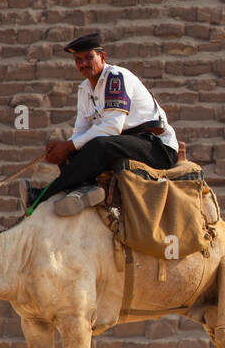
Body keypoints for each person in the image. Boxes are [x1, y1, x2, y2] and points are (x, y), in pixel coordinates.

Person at [20, 31, 179, 216]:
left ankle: (43, 195)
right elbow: (80, 131)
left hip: (156, 148)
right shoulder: (84, 90)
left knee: (99, 145)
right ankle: (86, 190)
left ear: (102, 57)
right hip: (123, 145)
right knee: (72, 154)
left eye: (88, 58)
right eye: (78, 60)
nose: (83, 64)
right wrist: (63, 149)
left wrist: (69, 145)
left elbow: (112, 128)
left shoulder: (115, 78)